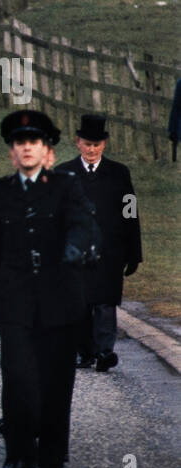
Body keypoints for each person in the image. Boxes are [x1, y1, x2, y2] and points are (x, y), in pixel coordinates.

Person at [0, 110, 97, 468]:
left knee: (55, 386)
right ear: (13, 153)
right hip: (15, 305)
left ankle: (51, 462)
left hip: (60, 304)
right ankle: (17, 459)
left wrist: (75, 249)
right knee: (18, 383)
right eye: (20, 142)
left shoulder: (66, 187)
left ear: (46, 151)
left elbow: (84, 225)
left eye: (34, 142)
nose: (26, 148)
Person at [54, 114, 141, 373]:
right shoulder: (64, 173)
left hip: (110, 251)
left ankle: (105, 351)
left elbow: (130, 213)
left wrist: (134, 252)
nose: (92, 150)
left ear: (104, 144)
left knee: (105, 302)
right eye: (87, 144)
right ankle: (84, 351)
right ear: (78, 143)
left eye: (97, 145)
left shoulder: (119, 174)